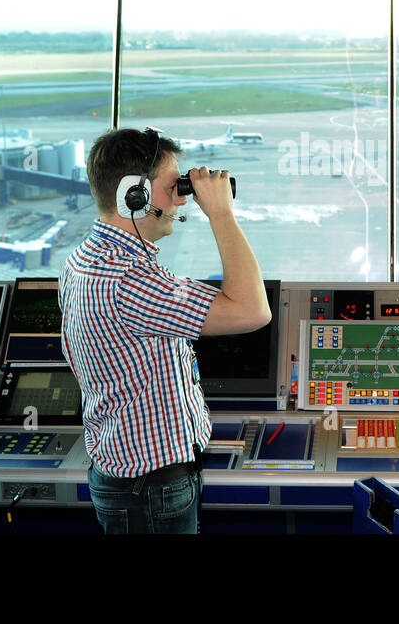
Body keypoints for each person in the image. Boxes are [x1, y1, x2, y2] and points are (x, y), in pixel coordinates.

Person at [59, 127, 270, 534]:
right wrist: (221, 214)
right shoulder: (128, 279)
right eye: (174, 186)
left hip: (130, 477)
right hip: (151, 487)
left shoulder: (86, 259)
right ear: (133, 195)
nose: (182, 197)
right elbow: (253, 310)